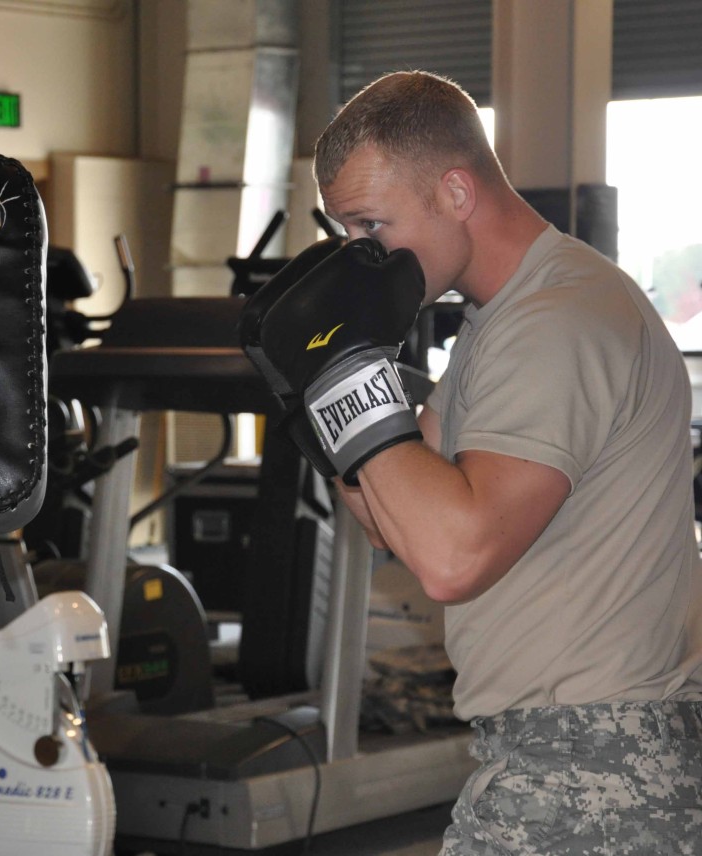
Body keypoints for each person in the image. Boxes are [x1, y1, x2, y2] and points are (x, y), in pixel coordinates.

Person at [301, 71, 702, 853]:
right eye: (346, 231)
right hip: (565, 750)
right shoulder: (501, 321)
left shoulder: (557, 321)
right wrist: (316, 399)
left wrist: (350, 380)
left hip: (595, 761)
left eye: (372, 224)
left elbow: (454, 559)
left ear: (456, 191)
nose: (361, 254)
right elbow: (398, 522)